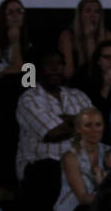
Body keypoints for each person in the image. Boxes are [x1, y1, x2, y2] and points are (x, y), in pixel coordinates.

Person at [16, 51, 92, 183]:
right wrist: (82, 123)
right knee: (50, 169)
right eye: (48, 64)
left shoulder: (79, 96)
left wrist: (66, 119)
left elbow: (97, 125)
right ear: (38, 69)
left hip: (81, 167)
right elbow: (53, 133)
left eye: (59, 64)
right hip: (44, 169)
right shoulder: (30, 98)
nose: (54, 68)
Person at [77, 39, 111, 121]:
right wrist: (106, 86)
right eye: (107, 57)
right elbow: (95, 111)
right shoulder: (86, 79)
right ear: (98, 60)